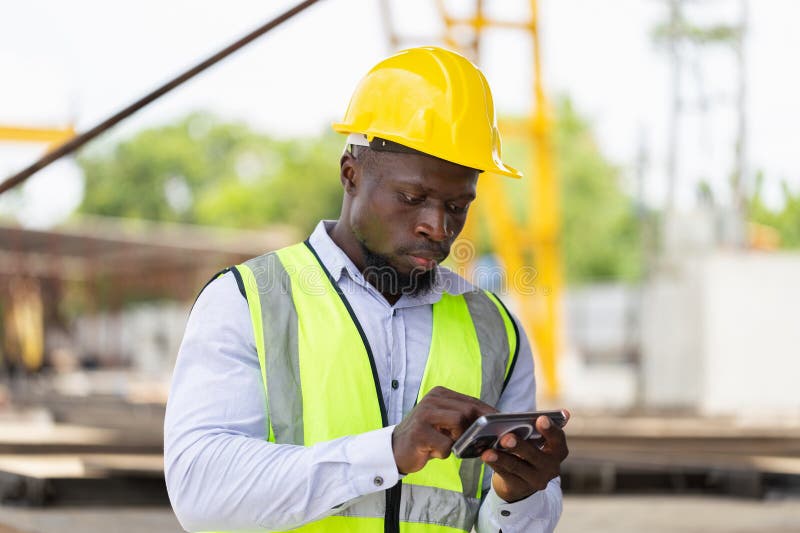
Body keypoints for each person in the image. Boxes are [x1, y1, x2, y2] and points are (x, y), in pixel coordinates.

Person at [164, 46, 569, 533]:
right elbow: (201, 495)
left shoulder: (496, 331)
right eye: (411, 198)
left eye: (457, 206)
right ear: (350, 173)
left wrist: (519, 496)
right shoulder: (249, 302)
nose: (437, 227)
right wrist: (387, 452)